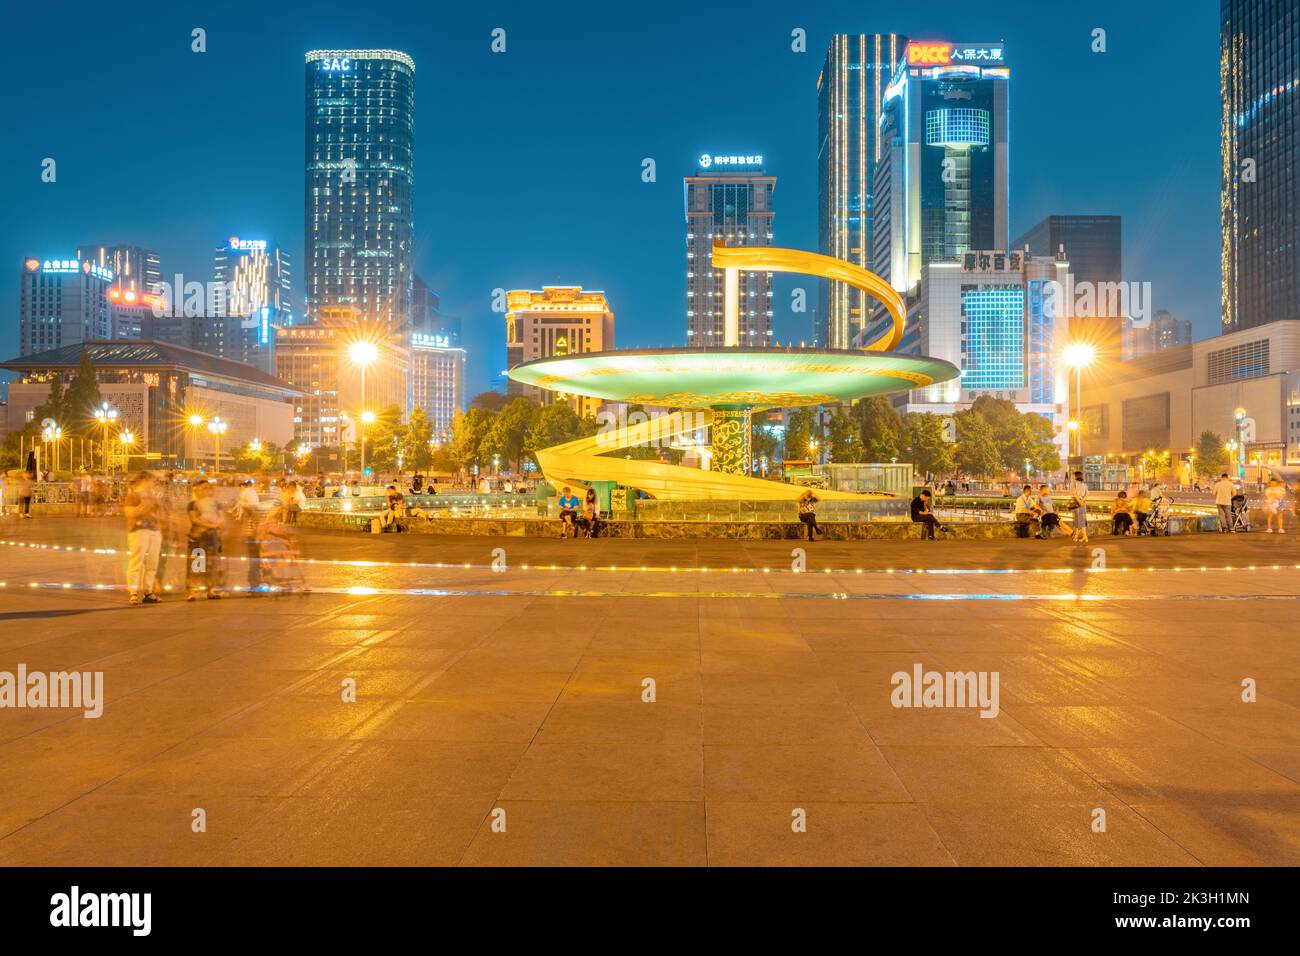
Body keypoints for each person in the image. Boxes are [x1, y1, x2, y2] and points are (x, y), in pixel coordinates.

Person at [122, 472, 162, 606]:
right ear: (144, 480)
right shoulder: (133, 496)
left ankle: (148, 591)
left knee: (152, 562)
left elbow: (158, 514)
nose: (153, 483)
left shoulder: (153, 496)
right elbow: (129, 513)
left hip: (154, 531)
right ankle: (133, 592)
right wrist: (144, 508)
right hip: (138, 531)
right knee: (136, 561)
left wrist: (156, 516)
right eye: (151, 480)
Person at [186, 480, 225, 600]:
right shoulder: (193, 503)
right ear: (197, 490)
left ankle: (210, 589)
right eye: (204, 488)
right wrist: (211, 526)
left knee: (211, 563)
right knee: (196, 563)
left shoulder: (215, 503)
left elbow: (221, 517)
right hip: (197, 536)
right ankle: (192, 591)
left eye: (208, 488)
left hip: (212, 536)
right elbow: (194, 519)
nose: (207, 490)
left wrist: (217, 525)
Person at [234, 479, 262, 589]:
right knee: (255, 560)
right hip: (253, 535)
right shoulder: (250, 496)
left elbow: (248, 510)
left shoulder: (248, 496)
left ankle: (255, 582)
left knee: (255, 560)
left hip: (255, 535)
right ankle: (255, 583)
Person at [1068, 471, 1090, 543]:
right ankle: (1077, 536)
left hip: (1077, 502)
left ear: (1076, 476)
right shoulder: (1084, 484)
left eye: (1073, 475)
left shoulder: (1073, 483)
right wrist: (1083, 501)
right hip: (1083, 503)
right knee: (1081, 520)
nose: (1072, 476)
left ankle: (1084, 537)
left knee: (1078, 520)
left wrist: (1079, 501)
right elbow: (1087, 494)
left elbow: (1074, 494)